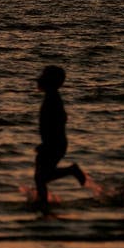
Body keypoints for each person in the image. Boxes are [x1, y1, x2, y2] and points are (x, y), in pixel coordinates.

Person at [35, 65, 86, 211]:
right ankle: (42, 202)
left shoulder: (53, 99)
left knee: (41, 177)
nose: (39, 79)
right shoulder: (51, 97)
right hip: (51, 143)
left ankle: (71, 171)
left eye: (43, 77)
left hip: (54, 144)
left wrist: (48, 143)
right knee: (39, 177)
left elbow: (57, 122)